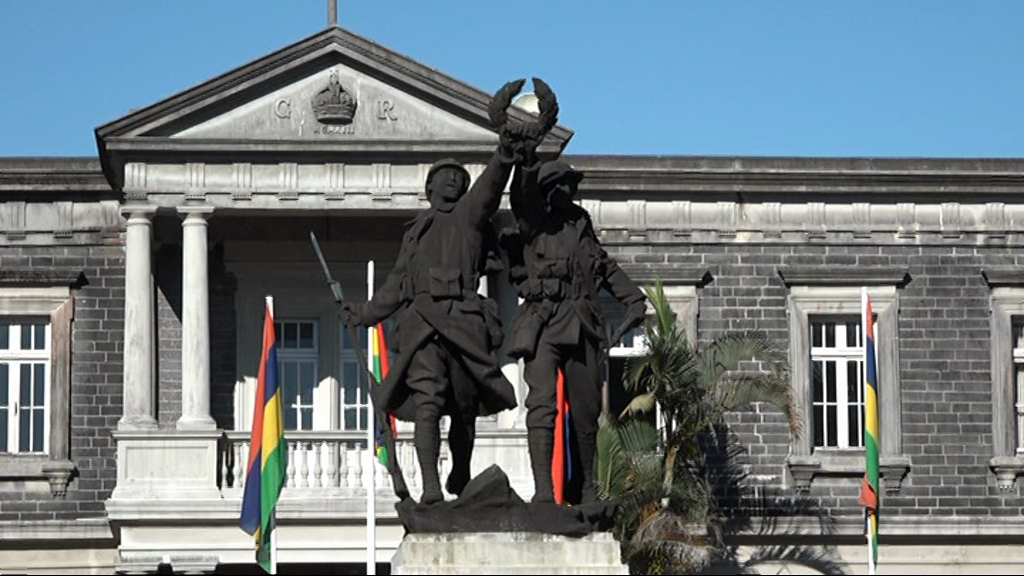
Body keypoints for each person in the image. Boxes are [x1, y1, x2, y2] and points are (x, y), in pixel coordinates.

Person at [339, 128, 521, 505]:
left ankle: (460, 470)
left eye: (459, 176)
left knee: (465, 407)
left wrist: (504, 153)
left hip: (465, 320)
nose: (453, 179)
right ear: (430, 185)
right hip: (423, 323)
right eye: (445, 175)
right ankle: (431, 486)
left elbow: (490, 186)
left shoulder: (469, 217)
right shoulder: (416, 233)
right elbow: (396, 283)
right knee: (429, 402)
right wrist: (363, 314)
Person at [503, 133, 647, 504]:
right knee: (542, 406)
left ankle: (585, 489)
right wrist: (526, 157)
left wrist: (633, 299)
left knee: (585, 412)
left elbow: (605, 267)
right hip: (543, 322)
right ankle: (543, 493)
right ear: (549, 191)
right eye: (563, 185)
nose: (569, 191)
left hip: (581, 323)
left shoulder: (582, 228)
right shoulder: (535, 223)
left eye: (571, 185)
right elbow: (522, 195)